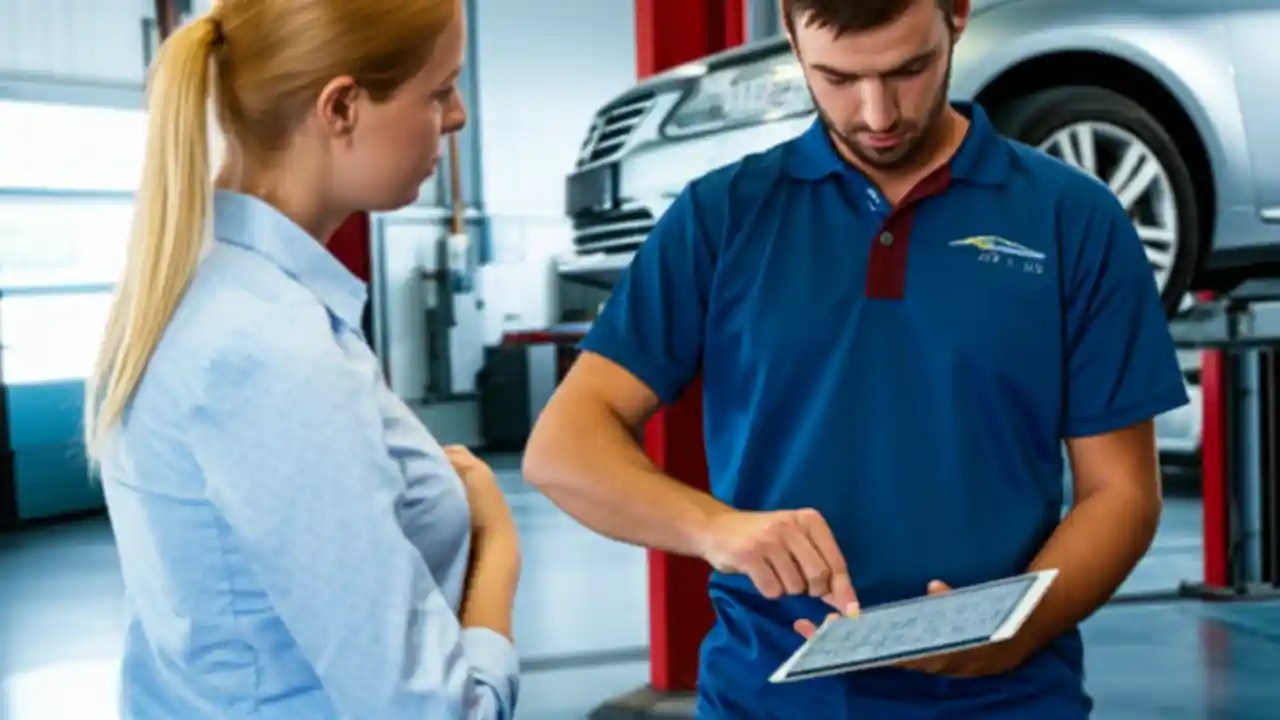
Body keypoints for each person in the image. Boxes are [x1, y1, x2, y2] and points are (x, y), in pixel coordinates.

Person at [523, 0, 1188, 717]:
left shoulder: (1073, 219)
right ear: (790, 30)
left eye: (910, 69)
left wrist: (1018, 627)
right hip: (766, 699)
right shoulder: (722, 217)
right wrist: (716, 529)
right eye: (837, 77)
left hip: (1005, 701)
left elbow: (1120, 492)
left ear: (957, 15)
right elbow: (564, 448)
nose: (877, 114)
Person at [84, 2, 521, 718]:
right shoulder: (269, 350)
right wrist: (496, 549)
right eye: (438, 91)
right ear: (342, 107)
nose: (458, 116)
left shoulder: (214, 296)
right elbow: (432, 713)